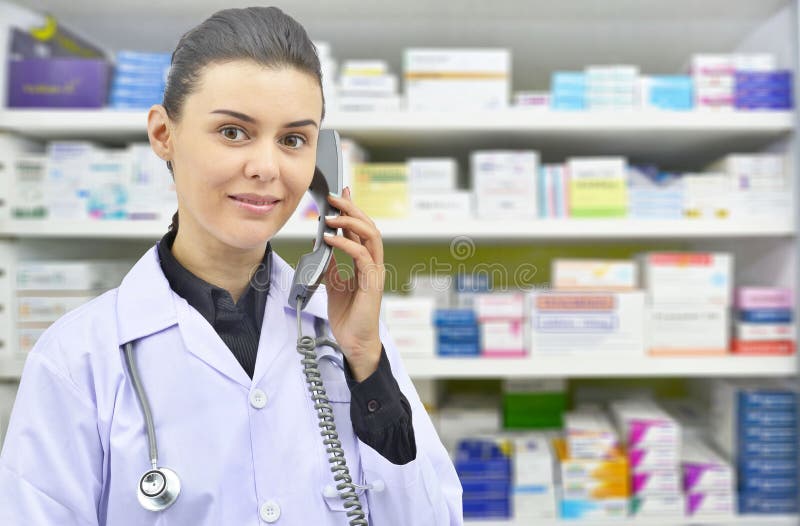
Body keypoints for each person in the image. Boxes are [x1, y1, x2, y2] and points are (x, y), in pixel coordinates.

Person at [0, 7, 462, 525]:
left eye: (293, 140)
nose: (265, 167)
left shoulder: (348, 338)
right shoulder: (76, 358)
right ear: (163, 134)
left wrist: (366, 365)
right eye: (233, 132)